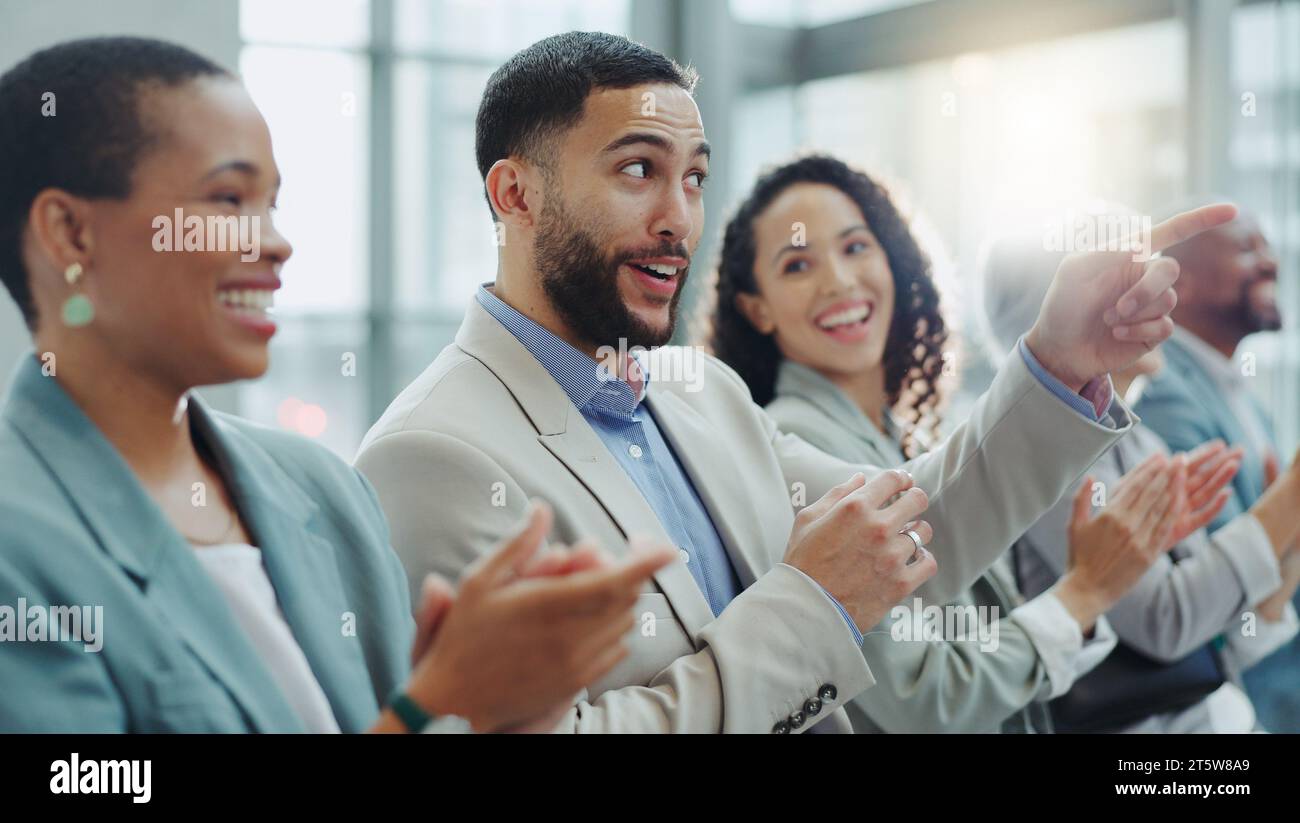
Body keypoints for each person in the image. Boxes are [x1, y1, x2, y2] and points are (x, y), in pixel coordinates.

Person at [355, 31, 1233, 733]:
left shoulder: (702, 393)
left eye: (694, 177)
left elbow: (911, 535)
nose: (678, 220)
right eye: (637, 171)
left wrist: (1059, 357)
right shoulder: (429, 453)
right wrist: (810, 605)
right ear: (514, 194)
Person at [0, 36, 673, 734]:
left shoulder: (323, 487)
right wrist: (438, 703)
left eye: (272, 205)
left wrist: (519, 707)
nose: (276, 244)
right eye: (228, 199)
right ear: (70, 234)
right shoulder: (19, 546)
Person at [705, 154, 1228, 733]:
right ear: (756, 307)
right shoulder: (798, 442)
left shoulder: (902, 433)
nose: (839, 280)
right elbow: (923, 695)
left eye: (856, 248)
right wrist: (1082, 595)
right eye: (798, 264)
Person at [980, 224, 1300, 732]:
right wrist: (1288, 504)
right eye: (1132, 289)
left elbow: (1224, 639)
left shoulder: (1138, 439)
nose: (1162, 307)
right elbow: (1166, 623)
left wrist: (1286, 553)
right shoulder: (1048, 450)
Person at [1132, 204, 1300, 731]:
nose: (1270, 263)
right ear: (1182, 280)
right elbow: (1222, 584)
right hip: (1240, 706)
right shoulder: (1160, 390)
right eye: (1248, 248)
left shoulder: (1234, 389)